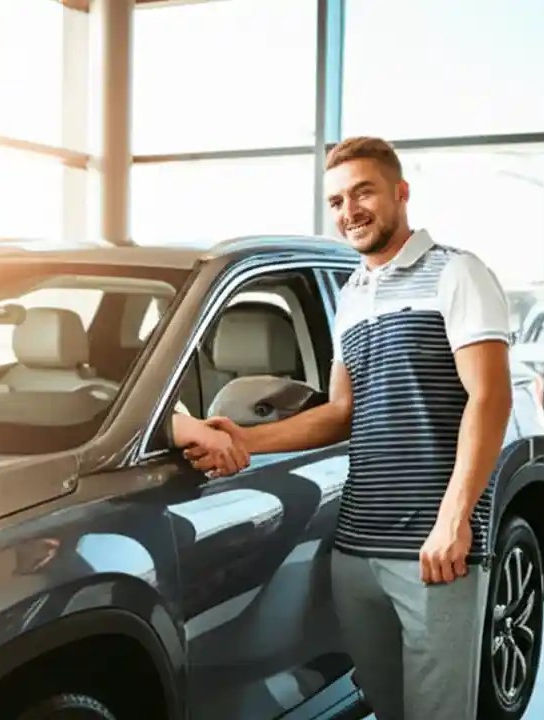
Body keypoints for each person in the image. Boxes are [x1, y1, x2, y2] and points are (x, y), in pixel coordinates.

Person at [186, 136, 513, 720]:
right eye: (336, 201)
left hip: (433, 551)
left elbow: (490, 398)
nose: (349, 211)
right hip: (357, 549)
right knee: (387, 708)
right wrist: (244, 439)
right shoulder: (353, 296)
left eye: (362, 192)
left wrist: (454, 519)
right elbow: (341, 413)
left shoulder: (456, 274)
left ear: (400, 192)